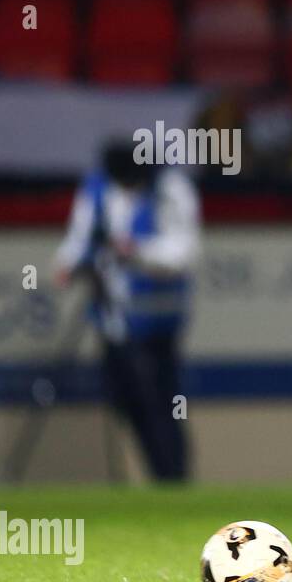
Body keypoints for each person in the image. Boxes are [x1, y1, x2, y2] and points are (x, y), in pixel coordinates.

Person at [53, 140, 201, 482]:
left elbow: (184, 252)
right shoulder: (97, 187)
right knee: (125, 401)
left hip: (157, 326)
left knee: (161, 404)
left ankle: (173, 478)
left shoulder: (171, 188)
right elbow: (79, 239)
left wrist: (136, 252)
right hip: (112, 319)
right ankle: (159, 475)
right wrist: (69, 264)